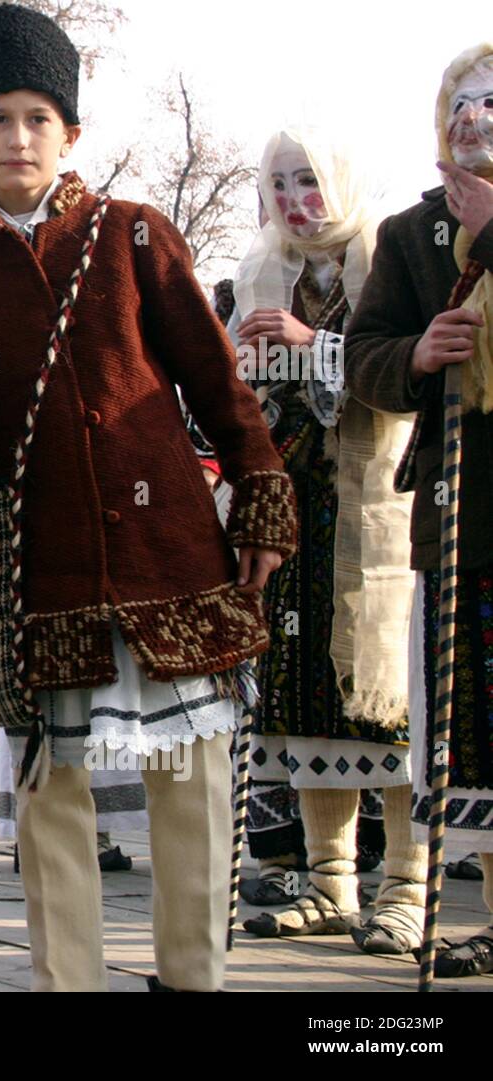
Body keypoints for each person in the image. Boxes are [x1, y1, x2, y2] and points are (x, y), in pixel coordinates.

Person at [0, 4, 295, 991]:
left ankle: (191, 977)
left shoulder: (135, 237)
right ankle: (67, 980)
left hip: (169, 560)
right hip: (37, 569)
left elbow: (214, 380)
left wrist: (262, 494)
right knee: (50, 795)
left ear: (69, 131)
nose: (16, 138)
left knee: (190, 789)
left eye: (35, 117)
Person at [227, 129, 424, 954]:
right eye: (278, 182)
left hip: (375, 508)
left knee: (386, 693)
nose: (295, 197)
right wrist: (247, 362)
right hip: (297, 510)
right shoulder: (259, 269)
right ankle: (328, 879)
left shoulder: (391, 257)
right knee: (307, 692)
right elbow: (240, 391)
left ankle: (409, 884)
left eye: (309, 178)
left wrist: (316, 347)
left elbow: (408, 371)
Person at [345, 42, 493, 978]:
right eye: (464, 105)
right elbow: (366, 356)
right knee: (472, 721)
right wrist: (417, 354)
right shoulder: (409, 234)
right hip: (459, 508)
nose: (478, 120)